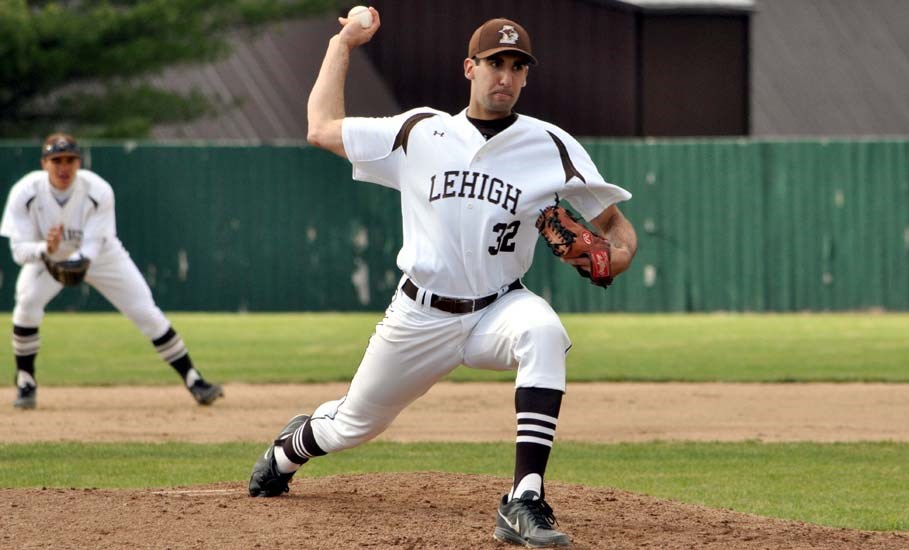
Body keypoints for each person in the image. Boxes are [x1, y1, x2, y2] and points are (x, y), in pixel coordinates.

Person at [248, 10, 637, 548]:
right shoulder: (419, 131)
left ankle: (524, 499)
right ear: (469, 69)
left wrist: (616, 257)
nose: (505, 75)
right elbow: (319, 128)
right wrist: (343, 42)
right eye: (494, 63)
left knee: (543, 332)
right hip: (420, 315)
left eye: (517, 66)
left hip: (498, 308)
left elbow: (615, 226)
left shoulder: (551, 145)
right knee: (352, 425)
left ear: (526, 77)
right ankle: (288, 450)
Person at [1, 133, 224, 410]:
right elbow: (19, 252)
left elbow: (93, 246)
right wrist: (46, 249)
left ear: (79, 162)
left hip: (101, 256)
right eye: (56, 160)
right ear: (44, 163)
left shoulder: (97, 190)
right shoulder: (25, 193)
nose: (63, 167)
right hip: (48, 256)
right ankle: (25, 382)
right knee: (26, 305)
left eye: (70, 159)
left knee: (145, 311)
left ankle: (194, 379)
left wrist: (72, 260)